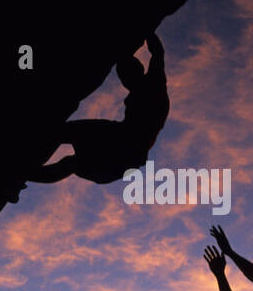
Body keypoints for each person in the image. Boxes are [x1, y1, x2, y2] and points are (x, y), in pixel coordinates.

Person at [28, 34, 169, 185]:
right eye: (123, 78)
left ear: (138, 69)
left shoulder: (154, 82)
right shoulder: (150, 84)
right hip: (126, 152)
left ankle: (23, 174)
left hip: (124, 145)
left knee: (67, 141)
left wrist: (147, 31)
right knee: (70, 158)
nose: (125, 82)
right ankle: (24, 174)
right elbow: (156, 53)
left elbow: (157, 52)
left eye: (126, 75)